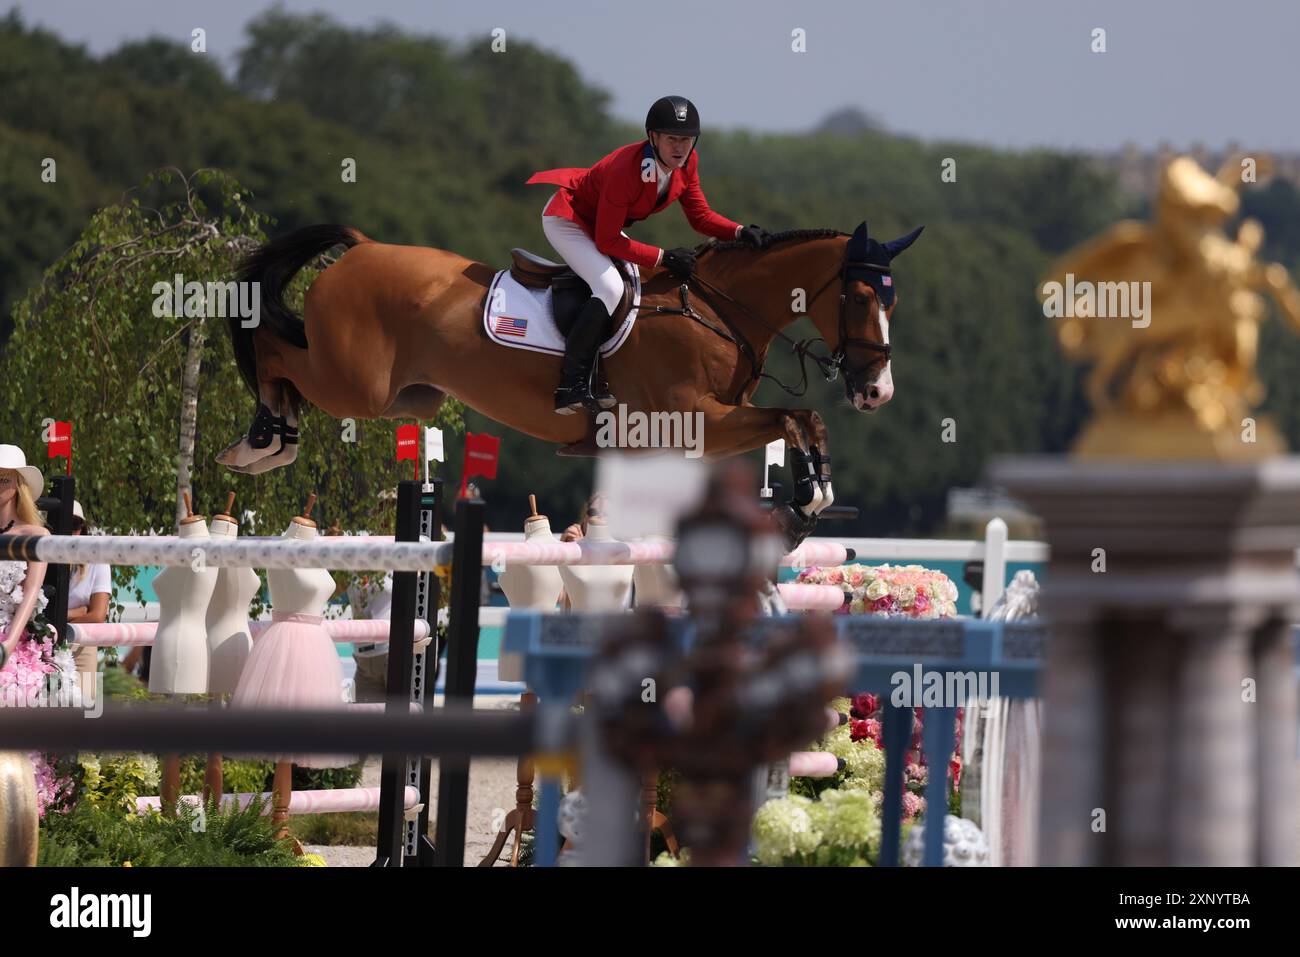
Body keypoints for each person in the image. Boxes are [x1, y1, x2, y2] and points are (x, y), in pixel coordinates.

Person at [527, 95, 771, 414]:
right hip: (569, 220)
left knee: (639, 283)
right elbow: (608, 240)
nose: (680, 148)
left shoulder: (687, 164)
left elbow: (699, 216)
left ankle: (609, 375)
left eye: (686, 140)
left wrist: (739, 232)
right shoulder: (626, 170)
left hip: (602, 224)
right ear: (652, 137)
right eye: (672, 139)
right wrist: (664, 256)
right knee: (611, 288)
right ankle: (570, 387)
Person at [0, 444, 73, 815]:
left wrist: (8, 645)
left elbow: (30, 597)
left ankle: (23, 812)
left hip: (12, 641)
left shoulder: (34, 534)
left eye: (4, 479)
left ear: (17, 486)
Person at [62, 501, 111, 676]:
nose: (69, 530)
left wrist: (62, 619)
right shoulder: (42, 556)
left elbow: (97, 615)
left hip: (81, 643)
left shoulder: (97, 560)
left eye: (74, 524)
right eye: (63, 523)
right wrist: (80, 611)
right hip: (43, 641)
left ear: (82, 527)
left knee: (83, 699)